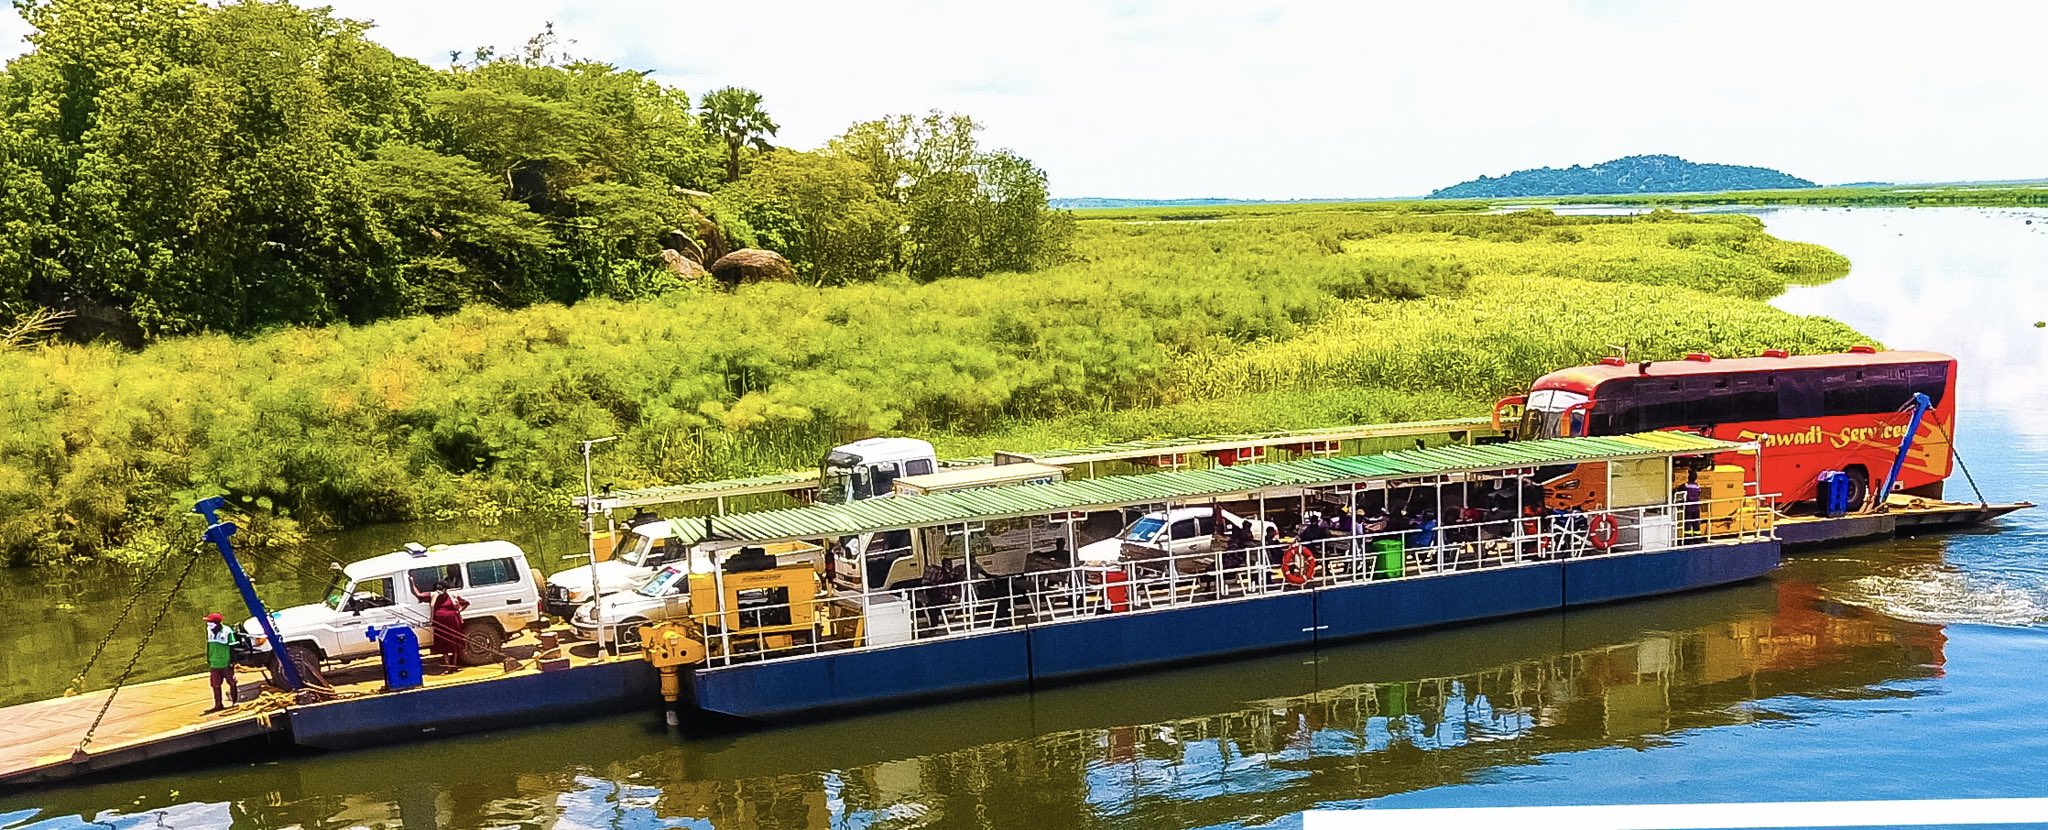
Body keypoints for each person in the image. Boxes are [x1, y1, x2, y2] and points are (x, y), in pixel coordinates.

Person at [427, 581, 470, 672]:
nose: (440, 591)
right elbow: (419, 595)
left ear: (445, 589)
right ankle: (448, 666)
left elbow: (465, 603)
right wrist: (412, 583)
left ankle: (454, 665)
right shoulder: (434, 596)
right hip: (440, 623)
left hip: (452, 622)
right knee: (444, 644)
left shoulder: (452, 595)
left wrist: (459, 611)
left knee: (454, 643)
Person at [204, 612, 239, 712]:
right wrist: (208, 659)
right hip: (214, 663)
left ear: (216, 623)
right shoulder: (209, 631)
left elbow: (232, 647)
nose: (208, 624)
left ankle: (234, 702)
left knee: (232, 682)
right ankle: (218, 704)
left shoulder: (227, 631)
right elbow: (209, 645)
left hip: (225, 662)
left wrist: (232, 661)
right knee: (215, 684)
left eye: (210, 622)